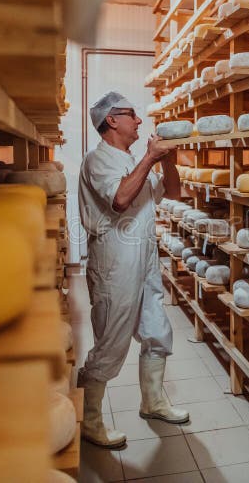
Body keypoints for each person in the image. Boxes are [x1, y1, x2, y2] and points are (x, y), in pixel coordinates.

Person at [77, 91, 187, 449]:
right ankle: (90, 419)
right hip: (115, 261)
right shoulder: (98, 161)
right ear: (112, 120)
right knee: (112, 338)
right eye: (132, 115)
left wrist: (168, 159)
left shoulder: (130, 159)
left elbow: (173, 192)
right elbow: (121, 198)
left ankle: (153, 402)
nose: (139, 121)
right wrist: (150, 157)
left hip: (145, 257)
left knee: (156, 330)